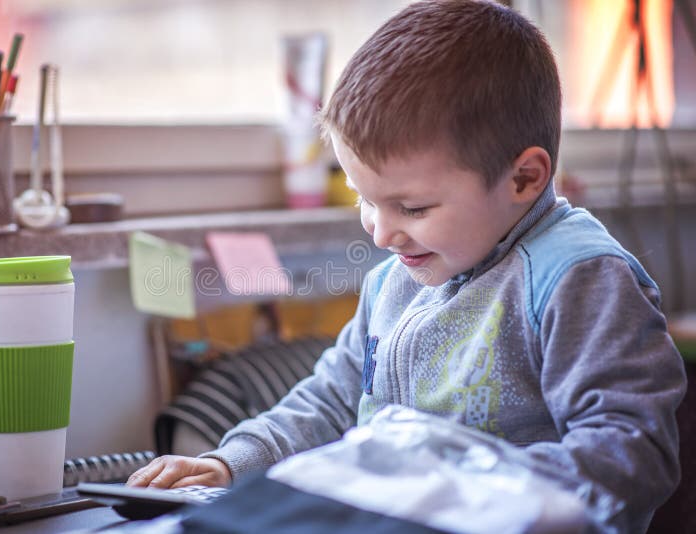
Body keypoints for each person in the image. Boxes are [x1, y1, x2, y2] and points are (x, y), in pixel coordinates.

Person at [128, 1, 686, 530]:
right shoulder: (396, 281)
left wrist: (447, 482)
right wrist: (234, 461)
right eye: (365, 199)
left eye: (412, 207)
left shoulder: (579, 279)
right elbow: (332, 397)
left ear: (524, 179)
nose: (380, 231)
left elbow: (631, 451)